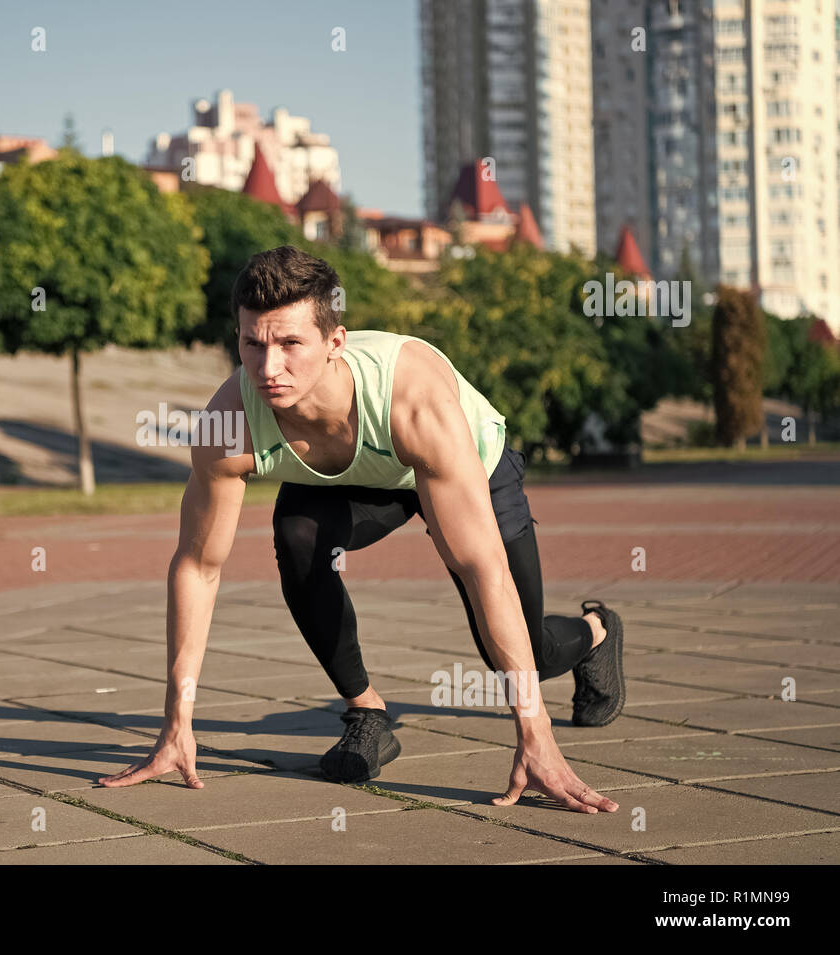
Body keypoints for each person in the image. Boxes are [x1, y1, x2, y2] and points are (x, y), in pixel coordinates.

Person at [99, 246, 625, 814]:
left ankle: (596, 631)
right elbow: (198, 567)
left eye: (290, 344)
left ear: (335, 342)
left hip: (460, 462)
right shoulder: (230, 422)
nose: (268, 368)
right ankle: (367, 713)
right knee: (298, 536)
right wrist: (177, 722)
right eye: (253, 344)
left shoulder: (413, 398)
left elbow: (482, 569)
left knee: (523, 652)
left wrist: (535, 735)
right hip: (350, 476)